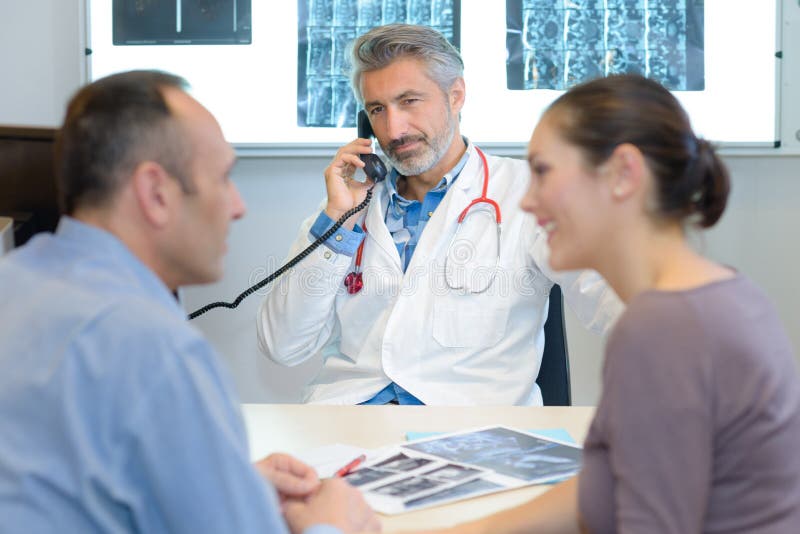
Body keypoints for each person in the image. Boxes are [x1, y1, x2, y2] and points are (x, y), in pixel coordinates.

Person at [416, 74, 800, 533]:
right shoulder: (716, 296)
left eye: (542, 172)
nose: (527, 201)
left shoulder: (665, 328)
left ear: (622, 174)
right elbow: (607, 486)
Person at [0, 71, 379, 534]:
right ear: (155, 193)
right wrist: (332, 526)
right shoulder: (151, 346)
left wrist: (220, 484)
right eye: (223, 178)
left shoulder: (15, 284)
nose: (237, 205)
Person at [258, 24, 622, 406]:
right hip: (349, 421)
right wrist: (337, 223)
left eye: (410, 101)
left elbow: (612, 301)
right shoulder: (348, 205)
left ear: (456, 95)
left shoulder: (530, 193)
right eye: (377, 110)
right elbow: (282, 345)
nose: (393, 129)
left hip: (469, 430)